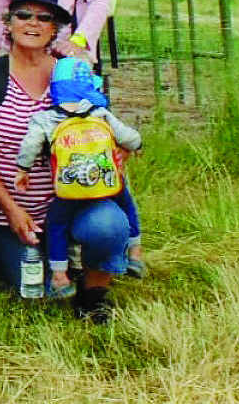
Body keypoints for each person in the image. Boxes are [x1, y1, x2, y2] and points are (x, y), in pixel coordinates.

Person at [0, 0, 133, 324]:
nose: (33, 23)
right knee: (38, 293)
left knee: (108, 226)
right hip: (11, 213)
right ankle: (56, 259)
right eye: (23, 14)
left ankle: (94, 292)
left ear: (56, 29)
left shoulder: (72, 73)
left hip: (75, 199)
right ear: (8, 23)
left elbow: (102, 127)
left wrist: (118, 150)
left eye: (44, 17)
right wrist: (11, 210)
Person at [13, 57, 144, 299]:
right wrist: (136, 145)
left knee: (57, 226)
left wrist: (23, 169)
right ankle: (135, 252)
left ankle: (59, 276)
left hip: (69, 189)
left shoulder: (46, 119)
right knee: (128, 206)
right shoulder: (100, 114)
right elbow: (127, 136)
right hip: (106, 184)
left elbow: (29, 146)